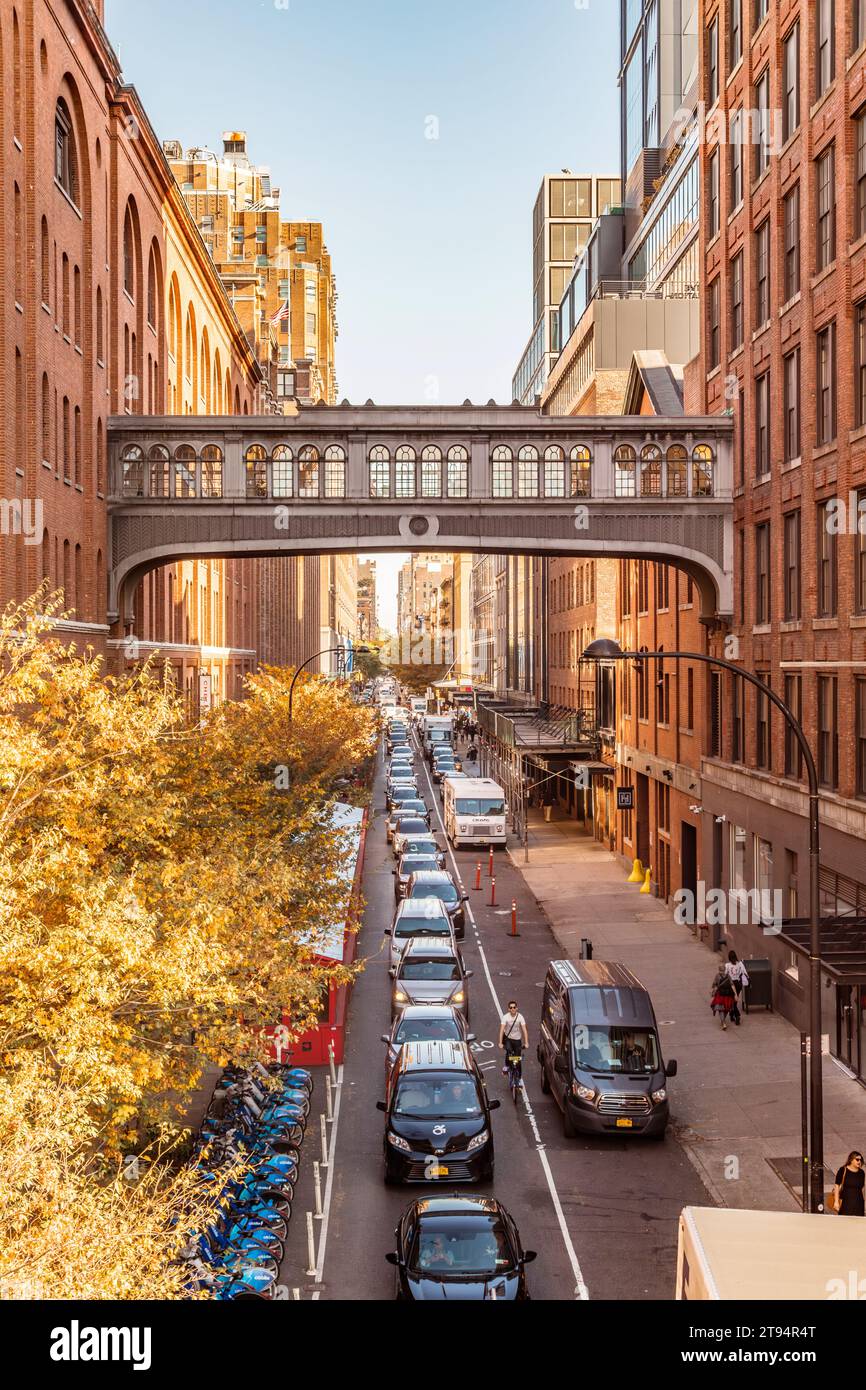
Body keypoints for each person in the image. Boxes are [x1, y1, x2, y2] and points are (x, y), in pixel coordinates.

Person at [499, 1000, 528, 1074]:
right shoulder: (505, 1017)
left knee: (517, 1058)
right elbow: (502, 1030)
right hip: (508, 1039)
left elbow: (524, 1030)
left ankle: (518, 1075)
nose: (512, 1009)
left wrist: (526, 1042)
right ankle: (506, 1066)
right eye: (511, 1008)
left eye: (514, 1007)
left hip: (517, 1040)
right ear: (508, 1009)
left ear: (516, 1008)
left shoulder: (520, 1017)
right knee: (508, 1051)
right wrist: (500, 1043)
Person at [724, 950, 750, 1027]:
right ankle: (732, 1015)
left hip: (731, 984)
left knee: (732, 1001)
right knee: (734, 1000)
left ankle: (737, 1015)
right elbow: (745, 973)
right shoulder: (740, 964)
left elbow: (724, 975)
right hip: (738, 984)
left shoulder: (727, 965)